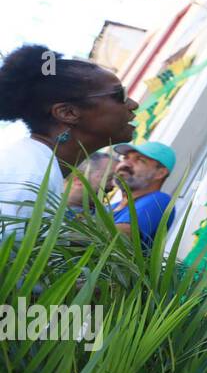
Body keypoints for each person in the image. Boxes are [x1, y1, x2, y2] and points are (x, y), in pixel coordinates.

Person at [0, 44, 139, 232]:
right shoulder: (30, 179)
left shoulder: (37, 167)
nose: (133, 104)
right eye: (119, 95)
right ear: (68, 112)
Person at [110, 140, 176, 247]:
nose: (126, 164)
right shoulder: (109, 207)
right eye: (125, 158)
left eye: (140, 160)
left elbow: (118, 237)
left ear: (160, 173)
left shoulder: (159, 200)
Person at [66, 149, 115, 214]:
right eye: (109, 178)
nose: (114, 185)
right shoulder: (49, 203)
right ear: (79, 179)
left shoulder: (104, 218)